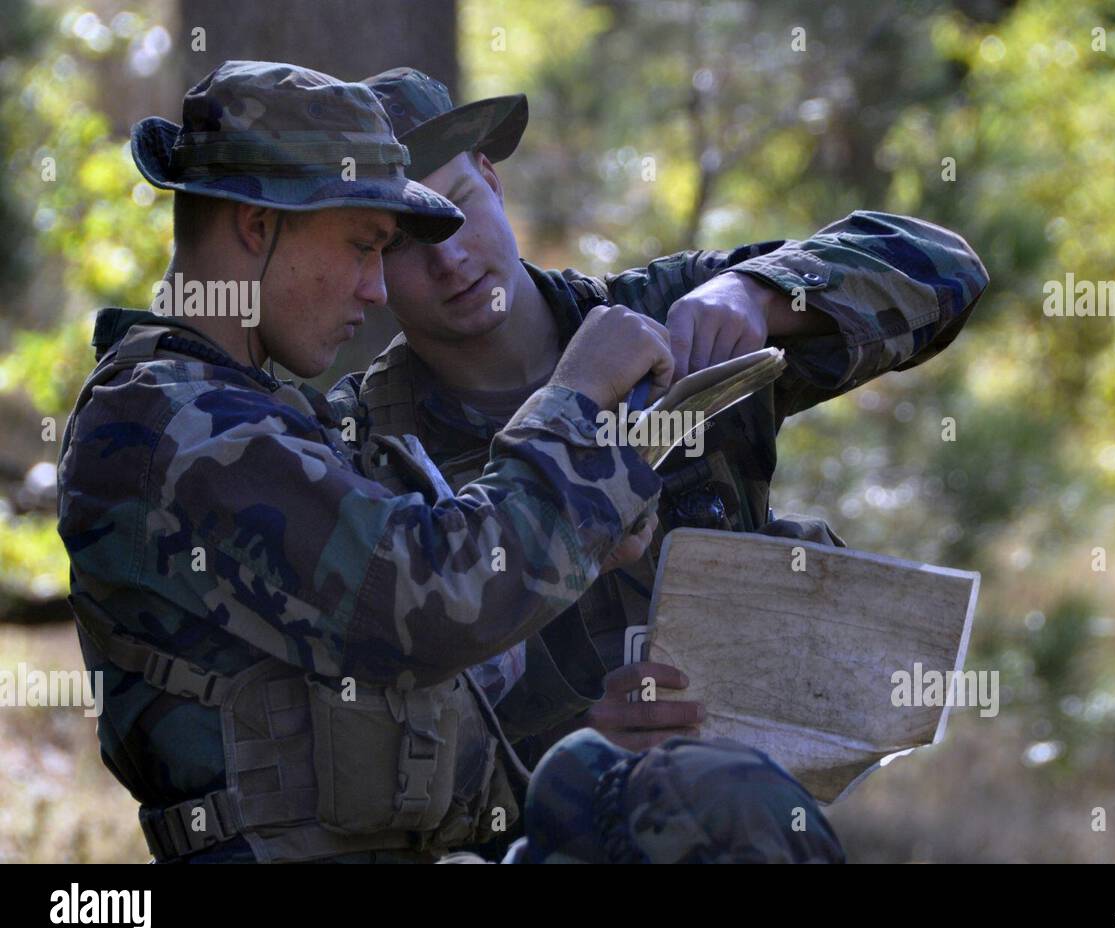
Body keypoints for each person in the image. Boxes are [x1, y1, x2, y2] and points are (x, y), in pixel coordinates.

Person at [57, 59, 845, 864]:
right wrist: (574, 395)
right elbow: (429, 595)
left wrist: (587, 541)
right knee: (731, 814)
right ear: (259, 225)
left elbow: (400, 669)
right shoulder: (173, 420)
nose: (375, 291)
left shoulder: (250, 410)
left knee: (688, 801)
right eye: (366, 247)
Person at [327, 67, 991, 761]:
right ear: (365, 265)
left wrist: (757, 295)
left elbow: (944, 268)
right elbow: (362, 735)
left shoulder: (666, 313)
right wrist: (569, 746)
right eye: (402, 243)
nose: (451, 257)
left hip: (744, 806)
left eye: (457, 207)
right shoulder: (360, 446)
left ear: (491, 181)